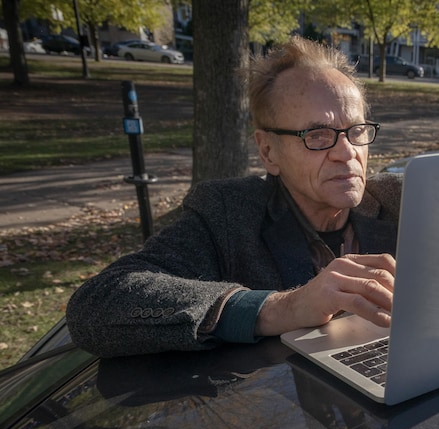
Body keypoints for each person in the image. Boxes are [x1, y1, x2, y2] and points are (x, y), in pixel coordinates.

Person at [66, 36, 401, 358]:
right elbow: (95, 306)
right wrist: (282, 308)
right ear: (268, 151)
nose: (347, 152)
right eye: (318, 135)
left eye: (356, 131)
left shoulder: (402, 200)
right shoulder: (226, 213)